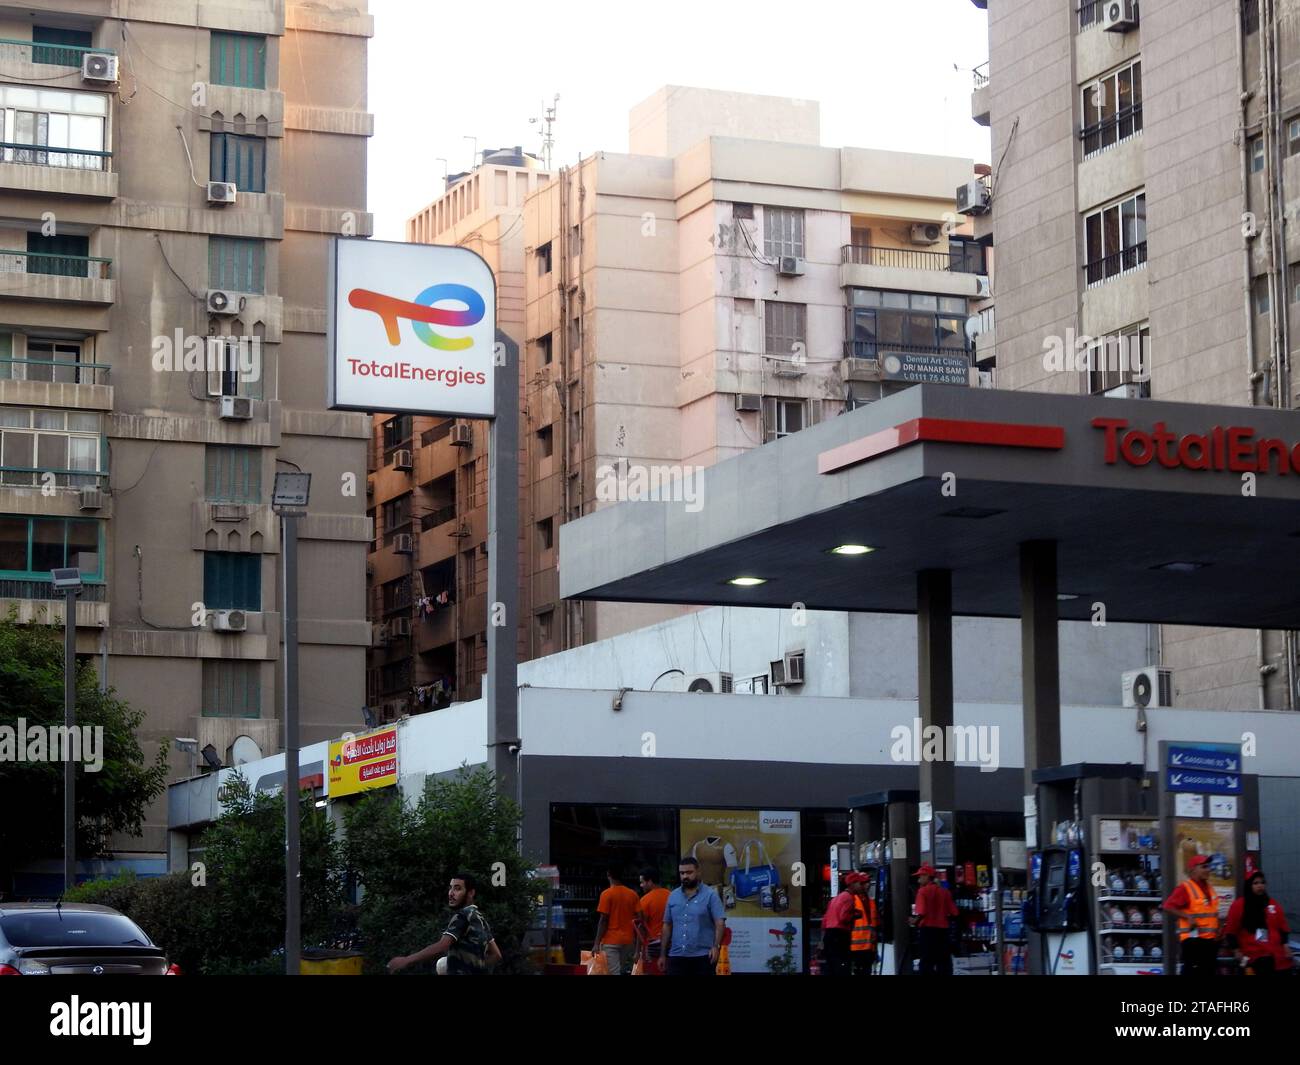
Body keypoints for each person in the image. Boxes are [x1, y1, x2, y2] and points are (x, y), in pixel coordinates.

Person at [387, 872, 501, 975]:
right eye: (450, 888)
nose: (451, 893)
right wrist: (472, 966)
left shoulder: (462, 916)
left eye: (457, 889)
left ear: (471, 893)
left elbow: (442, 946)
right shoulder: (480, 919)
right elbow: (496, 955)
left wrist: (406, 960)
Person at [660, 855, 725, 974]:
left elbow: (720, 923)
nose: (685, 876)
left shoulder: (710, 895)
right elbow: (667, 925)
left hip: (703, 956)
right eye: (682, 873)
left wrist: (716, 946)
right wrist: (663, 954)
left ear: (698, 872)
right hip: (676, 956)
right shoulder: (673, 896)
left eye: (689, 872)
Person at [1163, 854, 1221, 976]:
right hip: (1194, 942)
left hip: (1210, 942)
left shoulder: (1209, 888)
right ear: (1193, 869)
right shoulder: (1186, 887)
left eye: (1208, 866)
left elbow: (1212, 913)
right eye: (1204, 867)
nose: (1208, 869)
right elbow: (1168, 906)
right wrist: (1188, 917)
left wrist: (1218, 931)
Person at [1224, 870, 1291, 976]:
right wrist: (1236, 950)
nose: (1260, 886)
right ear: (1249, 885)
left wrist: (1285, 944)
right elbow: (1230, 932)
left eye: (1262, 882)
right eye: (1256, 883)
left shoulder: (1272, 903)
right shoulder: (1239, 905)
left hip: (1278, 957)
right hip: (1254, 957)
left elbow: (1283, 927)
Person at [593, 867, 640, 975]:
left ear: (608, 875)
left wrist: (596, 943)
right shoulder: (633, 894)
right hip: (628, 941)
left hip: (611, 941)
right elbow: (639, 919)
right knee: (621, 969)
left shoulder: (606, 894)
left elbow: (603, 920)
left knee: (613, 972)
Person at [911, 864, 957, 976]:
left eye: (920, 877)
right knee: (944, 963)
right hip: (943, 933)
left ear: (927, 876)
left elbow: (921, 912)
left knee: (926, 963)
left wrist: (914, 921)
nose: (918, 880)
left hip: (927, 932)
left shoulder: (922, 892)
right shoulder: (945, 892)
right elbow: (954, 912)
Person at [822, 871, 868, 975]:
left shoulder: (836, 898)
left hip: (829, 935)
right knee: (842, 967)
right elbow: (844, 918)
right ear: (852, 884)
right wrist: (857, 915)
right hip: (839, 935)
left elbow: (825, 921)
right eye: (860, 884)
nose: (862, 887)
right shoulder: (849, 898)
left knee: (832, 967)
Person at [635, 867, 671, 975]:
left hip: (653, 947)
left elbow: (642, 928)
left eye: (642, 882)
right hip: (671, 944)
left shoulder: (645, 900)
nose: (641, 885)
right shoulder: (672, 896)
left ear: (650, 881)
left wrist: (637, 951)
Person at [851, 877, 880, 975]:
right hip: (856, 945)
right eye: (864, 883)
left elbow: (874, 922)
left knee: (867, 970)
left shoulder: (871, 901)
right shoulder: (852, 899)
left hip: (869, 945)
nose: (868, 885)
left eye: (868, 883)